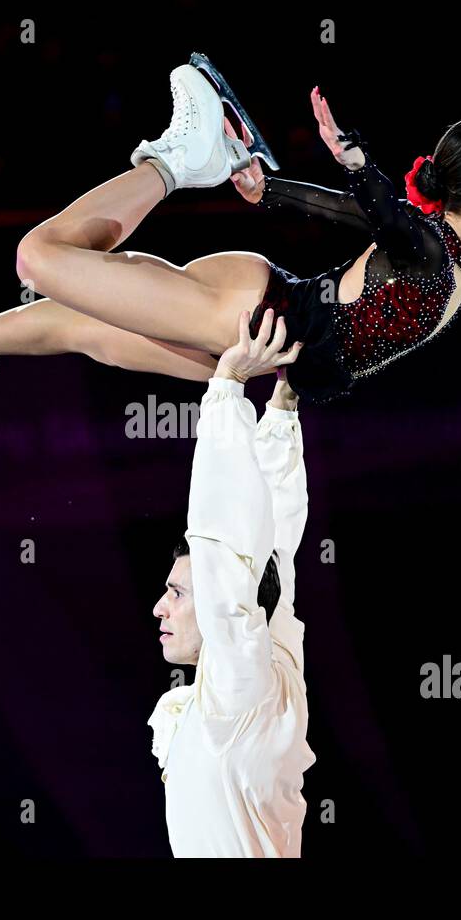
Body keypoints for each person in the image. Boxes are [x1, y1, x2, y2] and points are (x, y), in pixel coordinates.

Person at [0, 53, 461, 423]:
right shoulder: (431, 249)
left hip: (255, 346)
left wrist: (273, 190)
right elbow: (376, 212)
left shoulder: (439, 248)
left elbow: (363, 218)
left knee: (86, 332)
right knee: (39, 258)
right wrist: (353, 163)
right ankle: (176, 160)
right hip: (249, 315)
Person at [147, 309, 316, 857]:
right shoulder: (272, 665)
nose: (159, 607)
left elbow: (226, 549)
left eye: (176, 593)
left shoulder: (243, 688)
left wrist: (228, 387)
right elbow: (277, 543)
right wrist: (283, 411)